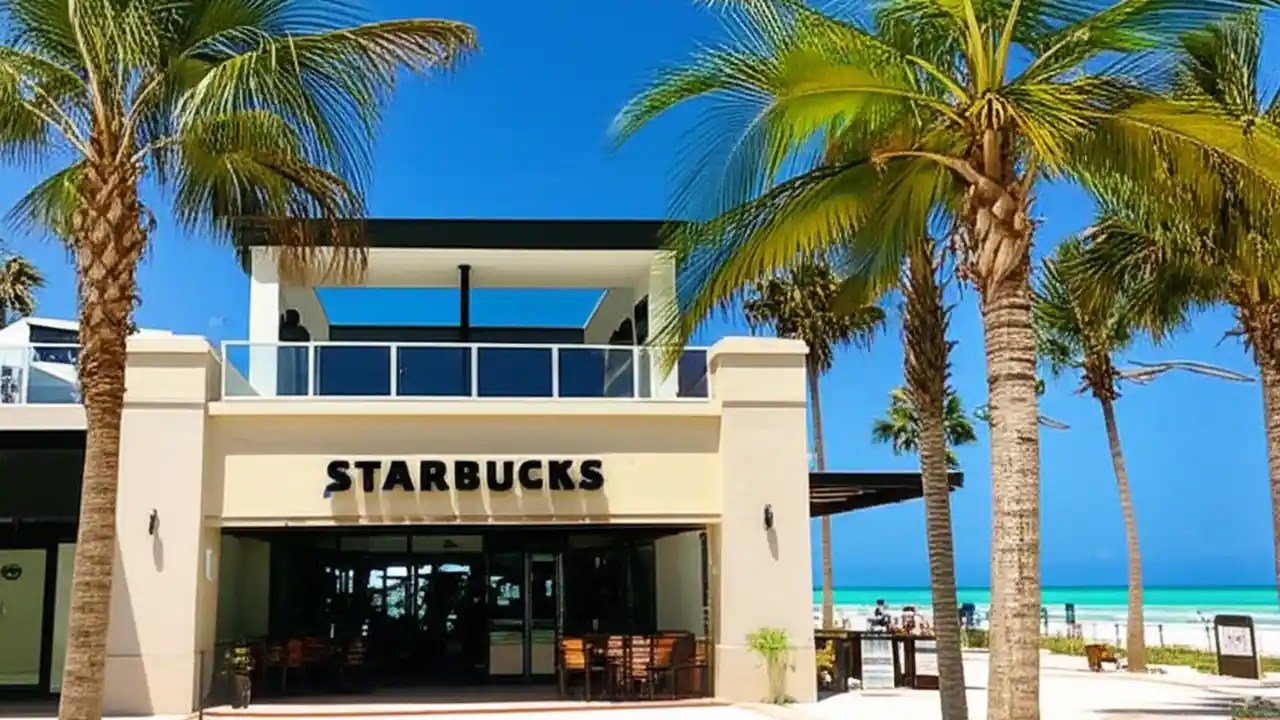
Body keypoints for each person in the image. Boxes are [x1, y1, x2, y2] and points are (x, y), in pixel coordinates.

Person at [278, 309, 311, 396]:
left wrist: (282, 325)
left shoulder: (298, 331)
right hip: (288, 362)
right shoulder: (301, 330)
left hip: (296, 361)